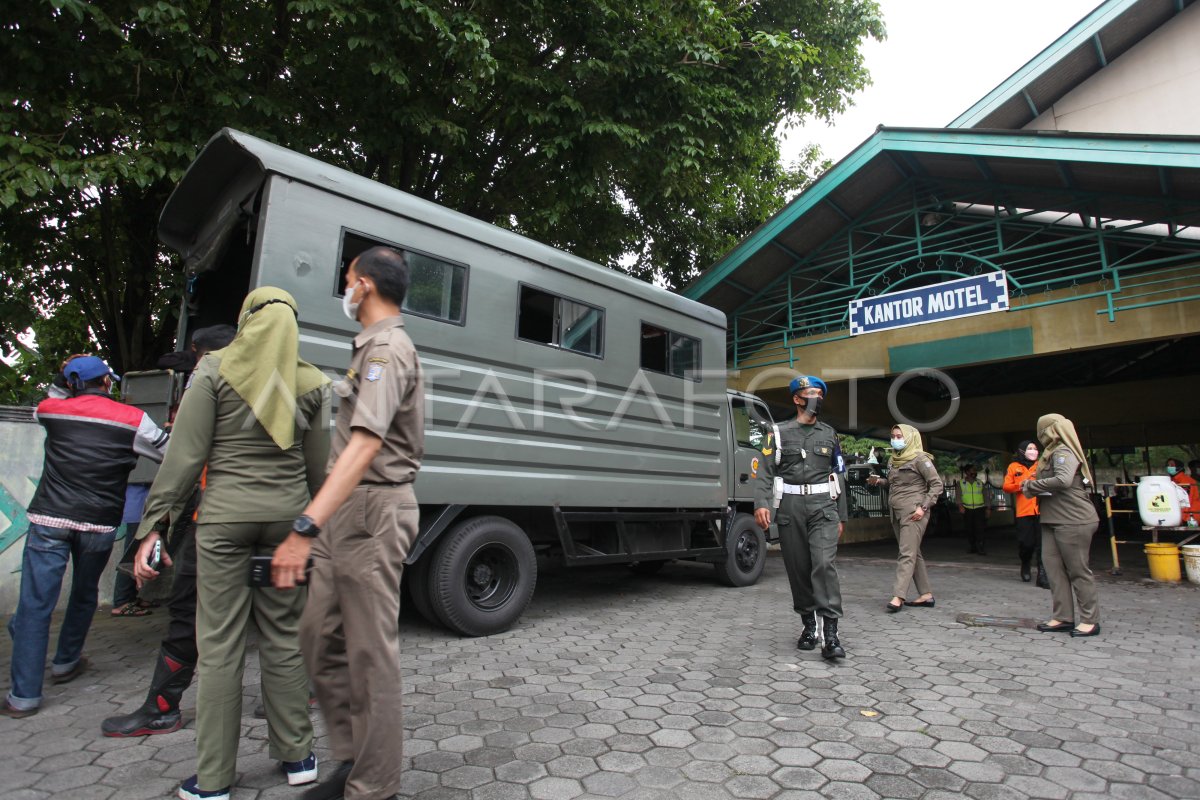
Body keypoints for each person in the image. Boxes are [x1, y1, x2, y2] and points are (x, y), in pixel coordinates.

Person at [132, 289, 331, 800]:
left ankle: (215, 780)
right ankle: (299, 757)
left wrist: (152, 525)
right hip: (286, 526)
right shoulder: (311, 381)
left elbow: (185, 456)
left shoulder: (214, 370)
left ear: (246, 320)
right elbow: (317, 470)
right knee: (284, 637)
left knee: (219, 645)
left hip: (223, 525)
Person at [271, 246, 424, 800]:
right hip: (348, 511)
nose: (345, 289)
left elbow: (366, 443)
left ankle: (372, 787)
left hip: (373, 509)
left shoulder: (387, 348)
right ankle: (354, 759)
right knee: (318, 634)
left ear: (364, 285)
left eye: (348, 280)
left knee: (368, 654)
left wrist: (304, 527)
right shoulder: (369, 348)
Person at [2, 356, 169, 718]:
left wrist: (66, 375)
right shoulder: (134, 420)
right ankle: (65, 662)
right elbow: (169, 453)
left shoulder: (51, 411)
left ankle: (24, 697)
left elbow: (51, 394)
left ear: (73, 381)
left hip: (50, 518)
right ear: (108, 383)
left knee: (35, 606)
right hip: (99, 524)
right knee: (84, 594)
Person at [100, 324, 237, 738]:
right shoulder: (286, 385)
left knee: (189, 611)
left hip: (213, 520)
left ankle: (162, 708)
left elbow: (181, 462)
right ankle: (293, 706)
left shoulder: (209, 385)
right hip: (256, 523)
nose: (195, 368)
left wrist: (155, 527)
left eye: (197, 358)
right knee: (273, 615)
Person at [753, 374, 848, 660]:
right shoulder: (778, 433)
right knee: (798, 568)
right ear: (797, 398)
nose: (816, 398)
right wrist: (761, 502)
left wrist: (842, 516)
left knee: (823, 564)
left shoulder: (829, 434)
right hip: (790, 507)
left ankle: (831, 635)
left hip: (824, 507)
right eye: (811, 393)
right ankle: (809, 626)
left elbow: (839, 475)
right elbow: (764, 471)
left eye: (820, 393)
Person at [1022, 413, 1101, 638]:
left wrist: (1031, 486)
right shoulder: (1050, 453)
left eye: (1041, 431)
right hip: (1051, 519)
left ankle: (1090, 620)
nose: (1039, 436)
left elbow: (1064, 480)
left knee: (1078, 570)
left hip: (1072, 519)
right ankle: (1063, 616)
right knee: (1054, 570)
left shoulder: (1063, 451)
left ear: (1050, 430)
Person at [870, 424, 943, 612]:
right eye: (893, 435)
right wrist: (879, 481)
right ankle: (926, 594)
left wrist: (924, 507)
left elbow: (936, 485)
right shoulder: (895, 460)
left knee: (906, 553)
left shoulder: (920, 459)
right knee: (913, 553)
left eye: (899, 436)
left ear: (910, 438)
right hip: (896, 512)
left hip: (914, 512)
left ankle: (898, 596)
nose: (895, 439)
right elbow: (894, 484)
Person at [1003, 440, 1049, 587]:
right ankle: (1025, 563)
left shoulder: (1041, 465)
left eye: (1035, 448)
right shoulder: (1013, 467)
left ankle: (1042, 574)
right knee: (1026, 544)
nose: (1033, 451)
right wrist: (1022, 483)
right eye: (1030, 449)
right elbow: (1006, 486)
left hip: (1041, 509)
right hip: (1024, 511)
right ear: (1022, 451)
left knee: (1042, 544)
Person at [958, 464, 988, 555]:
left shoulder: (980, 483)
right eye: (972, 471)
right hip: (967, 509)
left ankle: (981, 548)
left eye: (975, 471)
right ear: (967, 472)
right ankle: (973, 546)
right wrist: (960, 506)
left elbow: (986, 496)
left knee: (980, 529)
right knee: (969, 529)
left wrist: (988, 508)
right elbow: (958, 496)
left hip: (979, 509)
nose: (974, 473)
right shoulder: (961, 483)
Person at [1166, 457, 1199, 525]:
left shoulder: (1186, 482)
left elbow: (1185, 502)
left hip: (1190, 517)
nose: (1169, 467)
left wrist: (1181, 519)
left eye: (1172, 465)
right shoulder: (1172, 481)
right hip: (1183, 517)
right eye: (1168, 465)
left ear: (1179, 467)